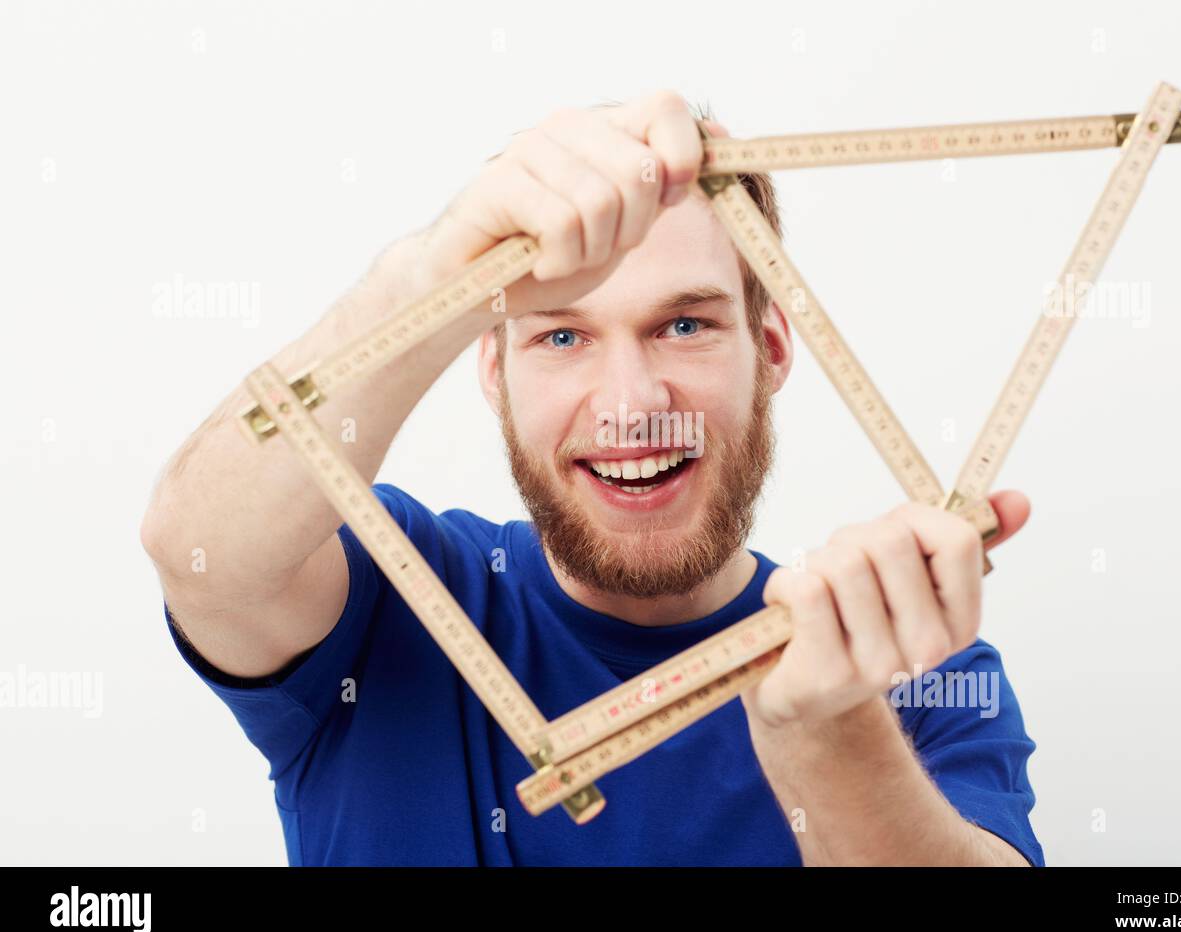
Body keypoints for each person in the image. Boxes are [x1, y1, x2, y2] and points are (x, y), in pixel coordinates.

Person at [140, 90, 1044, 866]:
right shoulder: (393, 601)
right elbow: (199, 552)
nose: (631, 405)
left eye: (684, 326)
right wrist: (427, 277)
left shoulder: (907, 662)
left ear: (768, 353)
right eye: (561, 336)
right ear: (494, 372)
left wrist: (828, 735)